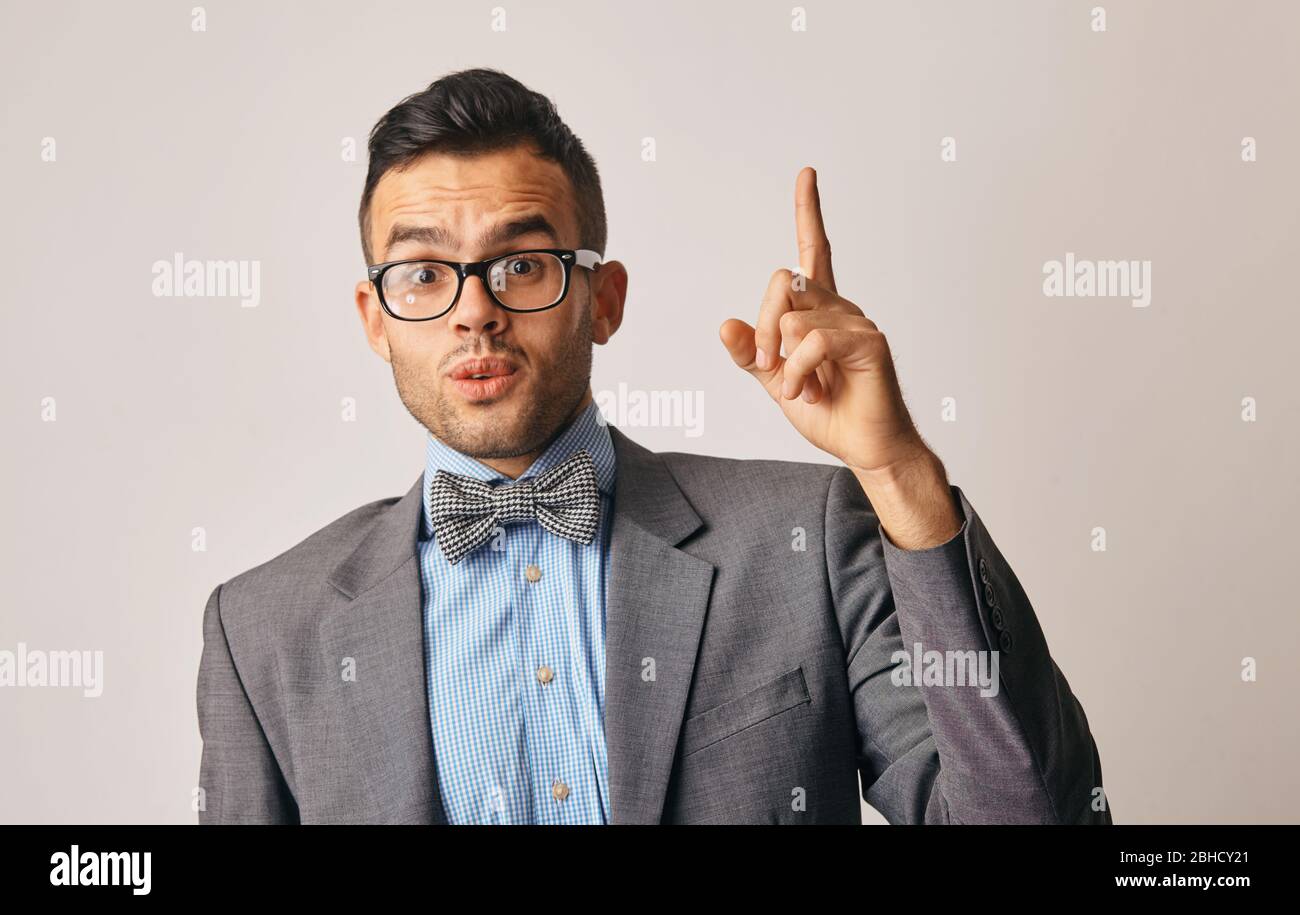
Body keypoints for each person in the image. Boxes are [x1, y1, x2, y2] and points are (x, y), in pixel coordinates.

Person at [196, 67, 1110, 825]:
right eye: (424, 272)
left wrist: (899, 469)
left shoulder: (811, 541)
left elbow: (1032, 815)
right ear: (377, 319)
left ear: (605, 299)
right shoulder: (262, 631)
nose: (474, 309)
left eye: (521, 264)